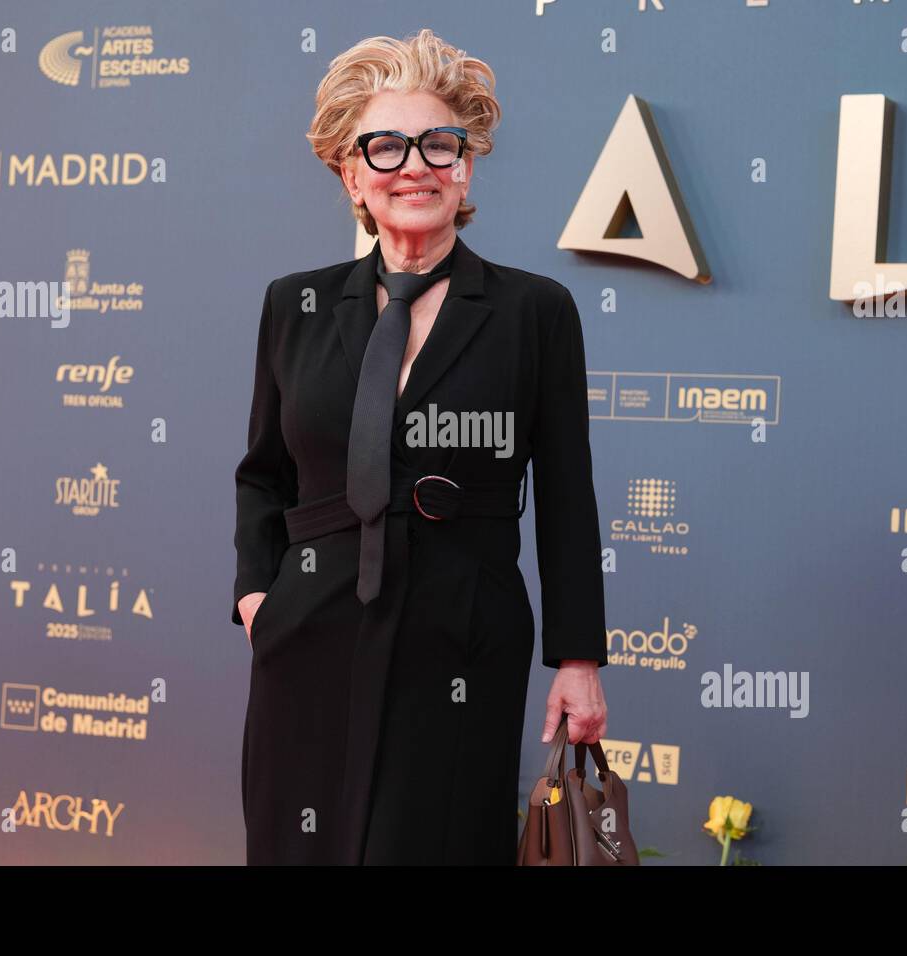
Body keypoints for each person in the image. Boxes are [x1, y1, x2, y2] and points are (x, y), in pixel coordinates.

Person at [232, 28, 608, 865]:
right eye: (387, 146)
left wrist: (578, 657)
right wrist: (260, 597)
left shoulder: (533, 312)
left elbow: (568, 491)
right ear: (350, 172)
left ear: (466, 167)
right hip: (310, 626)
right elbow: (263, 474)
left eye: (440, 144)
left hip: (460, 631)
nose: (416, 165)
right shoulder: (291, 306)